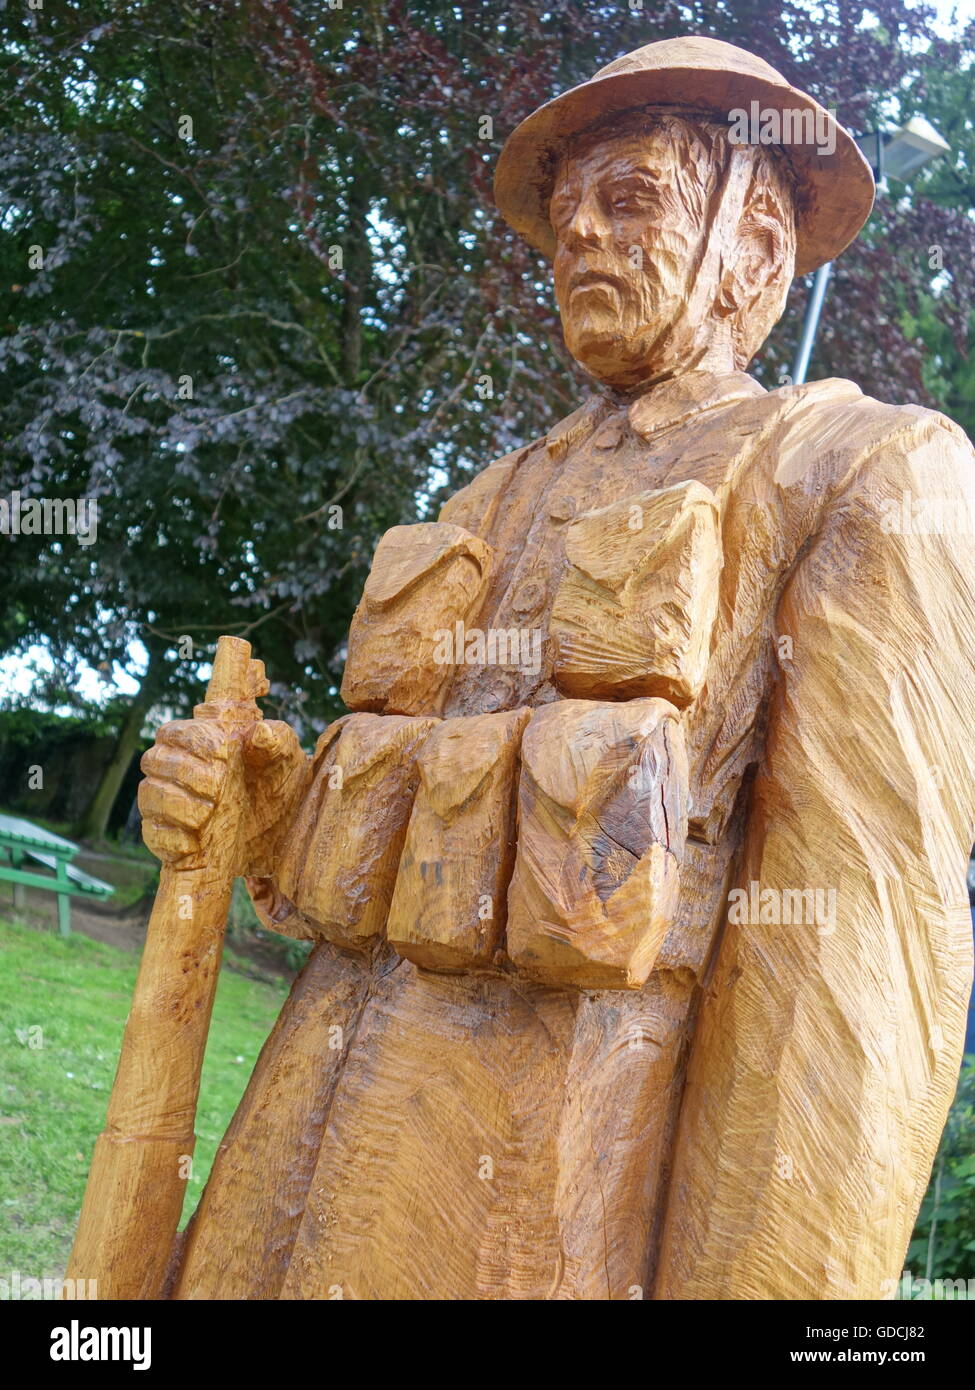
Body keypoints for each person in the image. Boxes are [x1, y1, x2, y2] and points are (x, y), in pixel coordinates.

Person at [132, 37, 975, 1300]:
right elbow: (393, 817)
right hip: (286, 1169)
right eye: (566, 212)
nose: (578, 233)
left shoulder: (867, 473)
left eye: (627, 200)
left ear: (752, 247)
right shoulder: (485, 499)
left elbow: (849, 983)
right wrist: (260, 813)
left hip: (540, 1214)